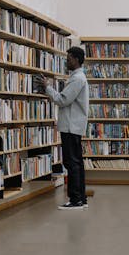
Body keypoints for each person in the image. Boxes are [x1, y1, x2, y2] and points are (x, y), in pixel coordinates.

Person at [36, 46, 89, 210]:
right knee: (76, 163)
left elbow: (63, 100)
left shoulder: (77, 79)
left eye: (70, 57)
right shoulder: (77, 78)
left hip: (71, 127)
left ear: (77, 60)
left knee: (72, 163)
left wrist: (47, 87)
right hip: (73, 126)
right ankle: (80, 198)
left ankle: (76, 200)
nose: (67, 60)